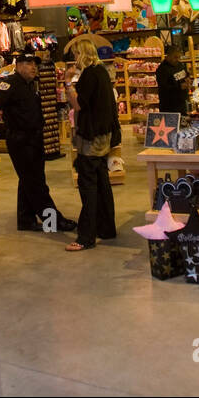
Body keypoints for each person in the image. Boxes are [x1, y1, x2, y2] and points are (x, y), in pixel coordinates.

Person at [0, 52, 75, 233]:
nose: (33, 67)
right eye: (29, 63)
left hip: (33, 139)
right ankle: (53, 223)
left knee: (28, 181)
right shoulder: (11, 83)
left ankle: (25, 220)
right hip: (21, 141)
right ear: (18, 65)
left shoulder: (30, 85)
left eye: (35, 64)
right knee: (37, 184)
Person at [66, 42, 118, 252]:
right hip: (105, 134)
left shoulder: (89, 75)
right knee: (102, 182)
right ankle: (106, 228)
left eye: (76, 54)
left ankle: (86, 236)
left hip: (91, 136)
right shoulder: (103, 72)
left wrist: (68, 83)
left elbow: (79, 105)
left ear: (81, 54)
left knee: (88, 186)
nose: (75, 58)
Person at [155, 41, 191, 114]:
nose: (177, 59)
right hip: (169, 106)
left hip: (182, 103)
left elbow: (186, 74)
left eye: (179, 57)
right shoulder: (162, 69)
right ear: (168, 56)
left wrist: (188, 80)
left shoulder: (180, 64)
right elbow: (164, 88)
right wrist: (179, 87)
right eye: (175, 57)